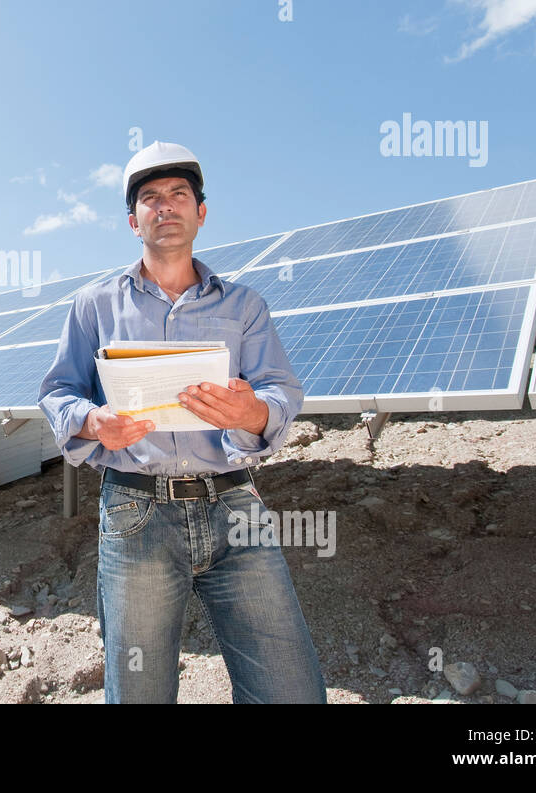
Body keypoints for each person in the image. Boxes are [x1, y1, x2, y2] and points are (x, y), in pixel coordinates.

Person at [38, 140, 326, 704]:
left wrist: (254, 412)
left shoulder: (245, 306)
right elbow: (57, 392)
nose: (165, 207)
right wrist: (95, 422)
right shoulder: (93, 305)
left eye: (178, 195)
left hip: (235, 507)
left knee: (288, 688)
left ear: (201, 211)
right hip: (134, 510)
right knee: (140, 691)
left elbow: (281, 391)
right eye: (150, 198)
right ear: (132, 220)